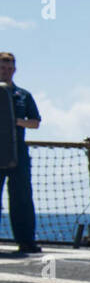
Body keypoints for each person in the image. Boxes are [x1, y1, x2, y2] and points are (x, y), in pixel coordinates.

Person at [0, 52, 42, 254]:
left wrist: (14, 121)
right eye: (2, 67)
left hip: (17, 153)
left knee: (22, 198)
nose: (5, 71)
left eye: (9, 68)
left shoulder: (23, 95)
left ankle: (26, 240)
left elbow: (35, 122)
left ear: (14, 70)